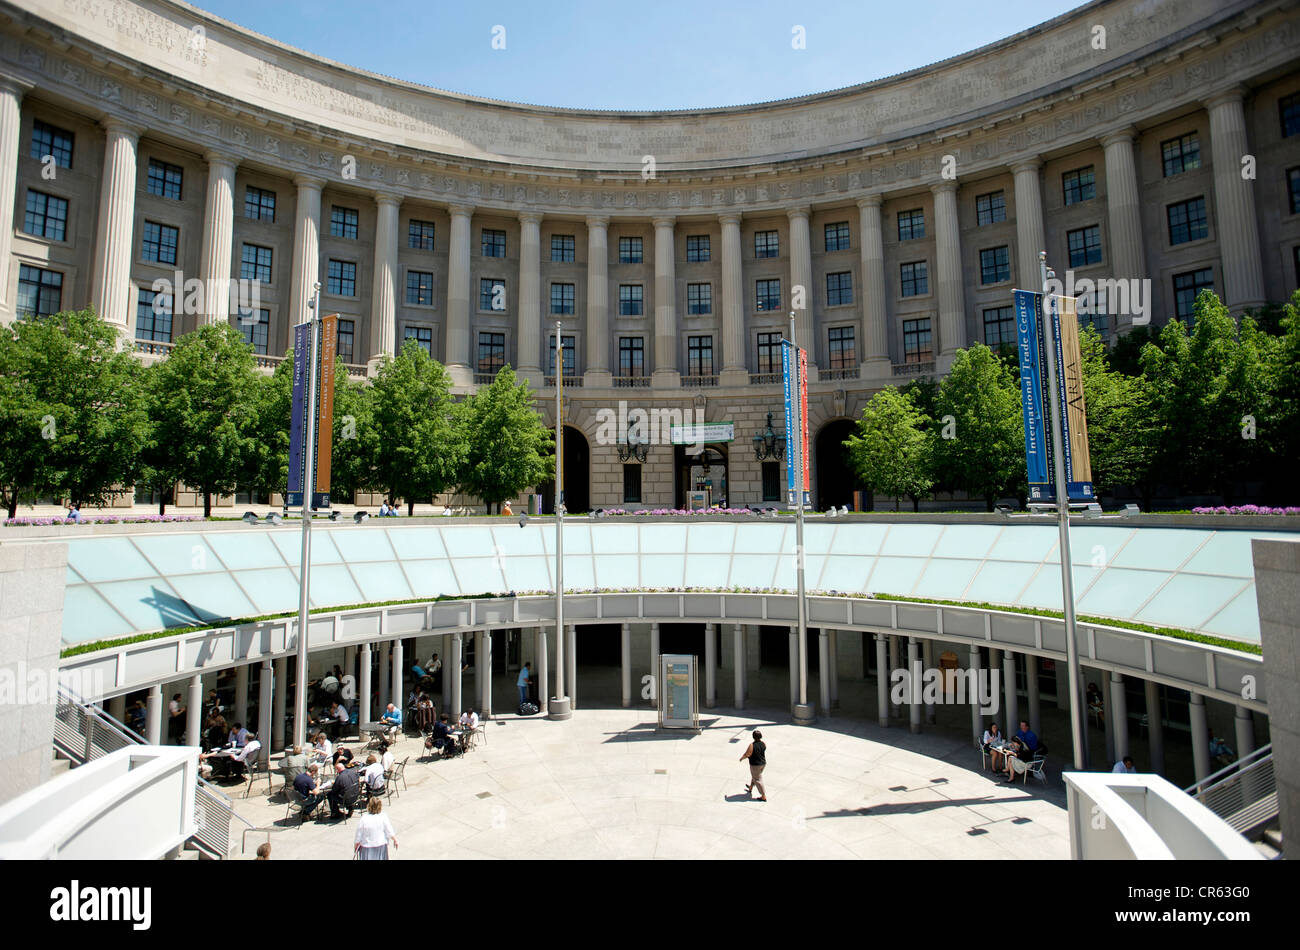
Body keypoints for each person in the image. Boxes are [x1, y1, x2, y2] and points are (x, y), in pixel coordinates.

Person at [740, 730, 767, 801]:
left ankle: (763, 796)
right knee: (755, 776)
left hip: (755, 765)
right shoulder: (763, 743)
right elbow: (764, 749)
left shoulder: (752, 745)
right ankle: (750, 788)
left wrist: (742, 758)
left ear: (753, 737)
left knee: (757, 779)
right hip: (763, 763)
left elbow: (747, 754)